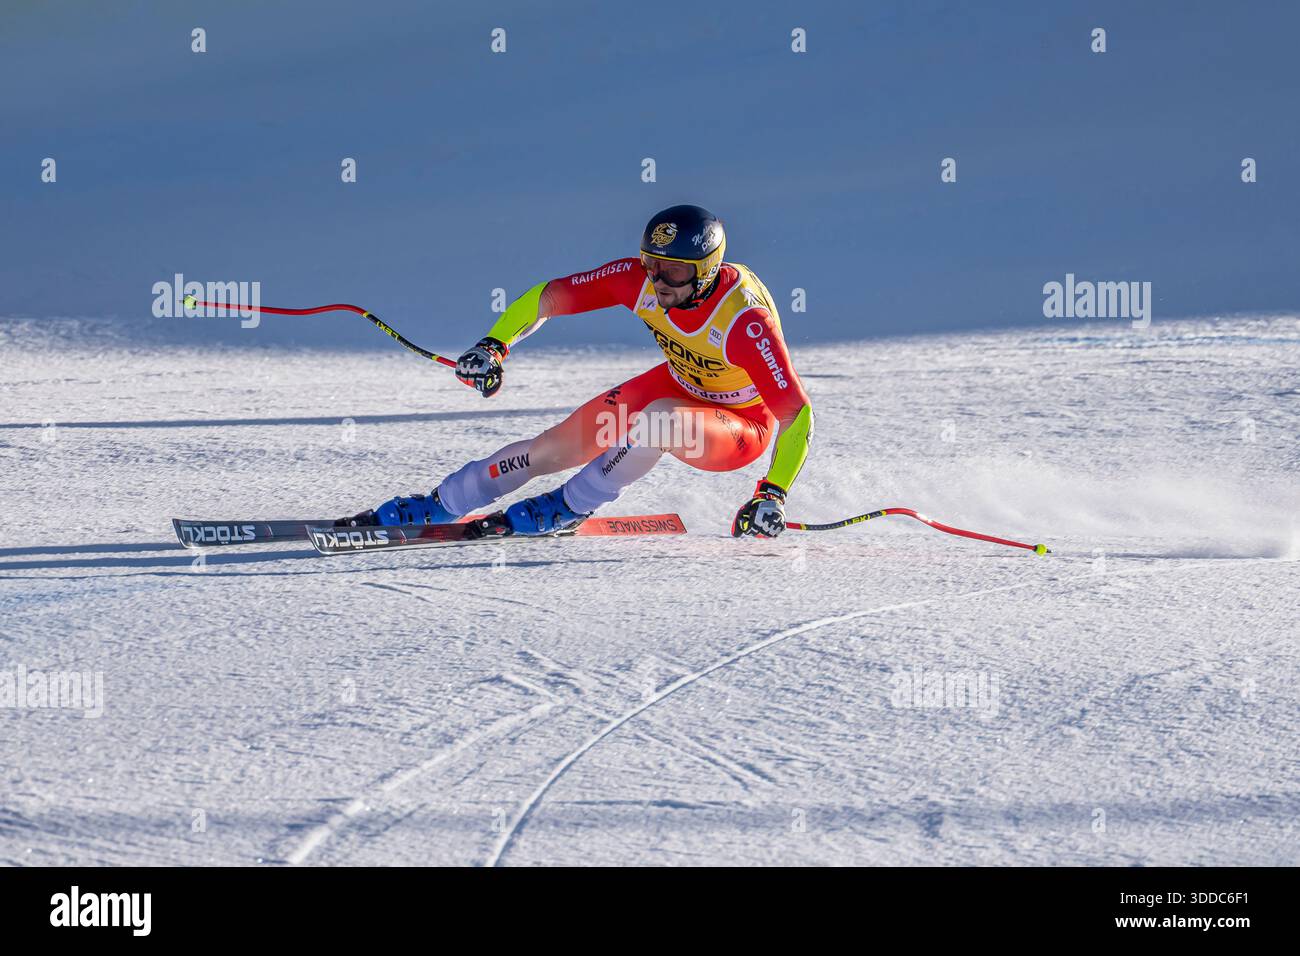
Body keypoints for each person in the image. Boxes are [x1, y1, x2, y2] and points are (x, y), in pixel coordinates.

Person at [339, 204, 813, 538]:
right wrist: (494, 344)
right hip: (679, 382)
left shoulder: (744, 322)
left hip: (739, 426)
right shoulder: (639, 280)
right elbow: (548, 296)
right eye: (651, 264)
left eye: (673, 271)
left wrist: (772, 493)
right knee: (552, 448)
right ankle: (441, 504)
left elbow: (797, 416)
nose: (656, 281)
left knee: (662, 420)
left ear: (706, 272)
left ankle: (571, 504)